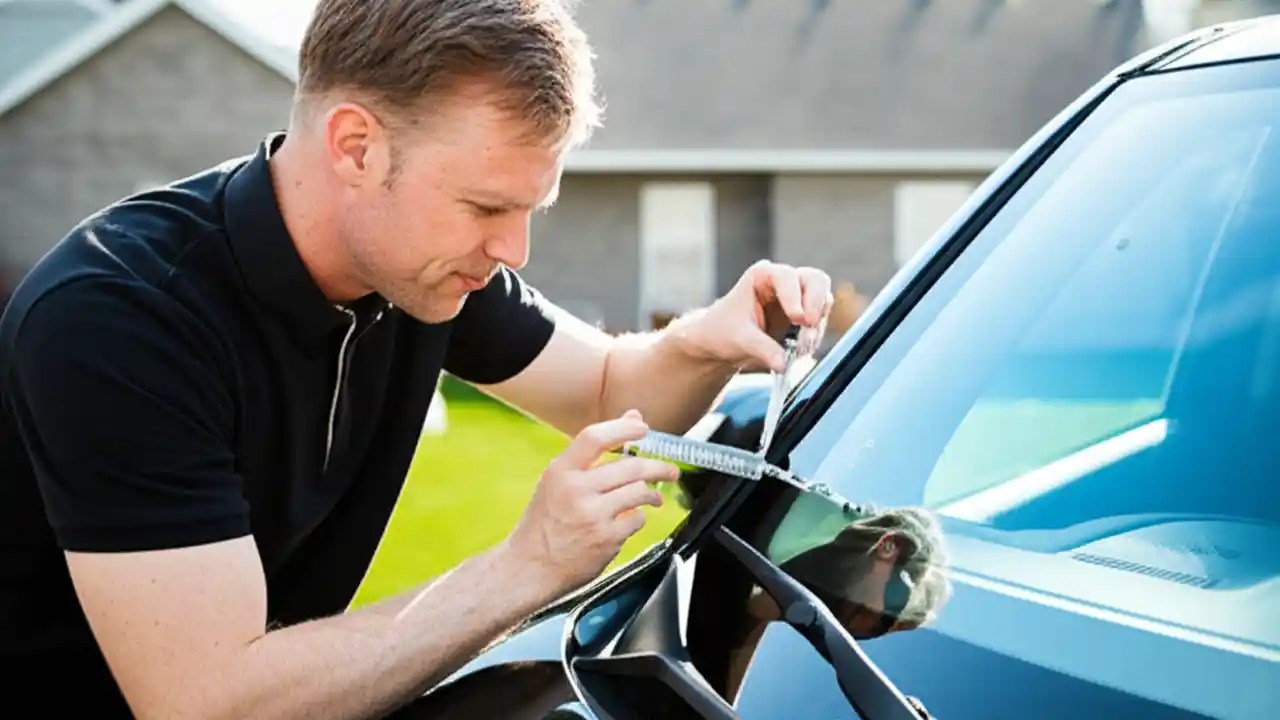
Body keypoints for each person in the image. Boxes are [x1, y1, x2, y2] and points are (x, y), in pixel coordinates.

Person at [0, 1, 833, 717]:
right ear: (357, 146)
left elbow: (610, 389)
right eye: (486, 206)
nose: (514, 249)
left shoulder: (416, 269)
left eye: (531, 207)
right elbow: (209, 700)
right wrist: (525, 568)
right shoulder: (121, 321)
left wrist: (705, 340)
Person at [725, 506, 952, 714]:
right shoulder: (774, 511)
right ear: (890, 548)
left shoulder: (788, 589)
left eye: (881, 630)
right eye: (887, 615)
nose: (863, 627)